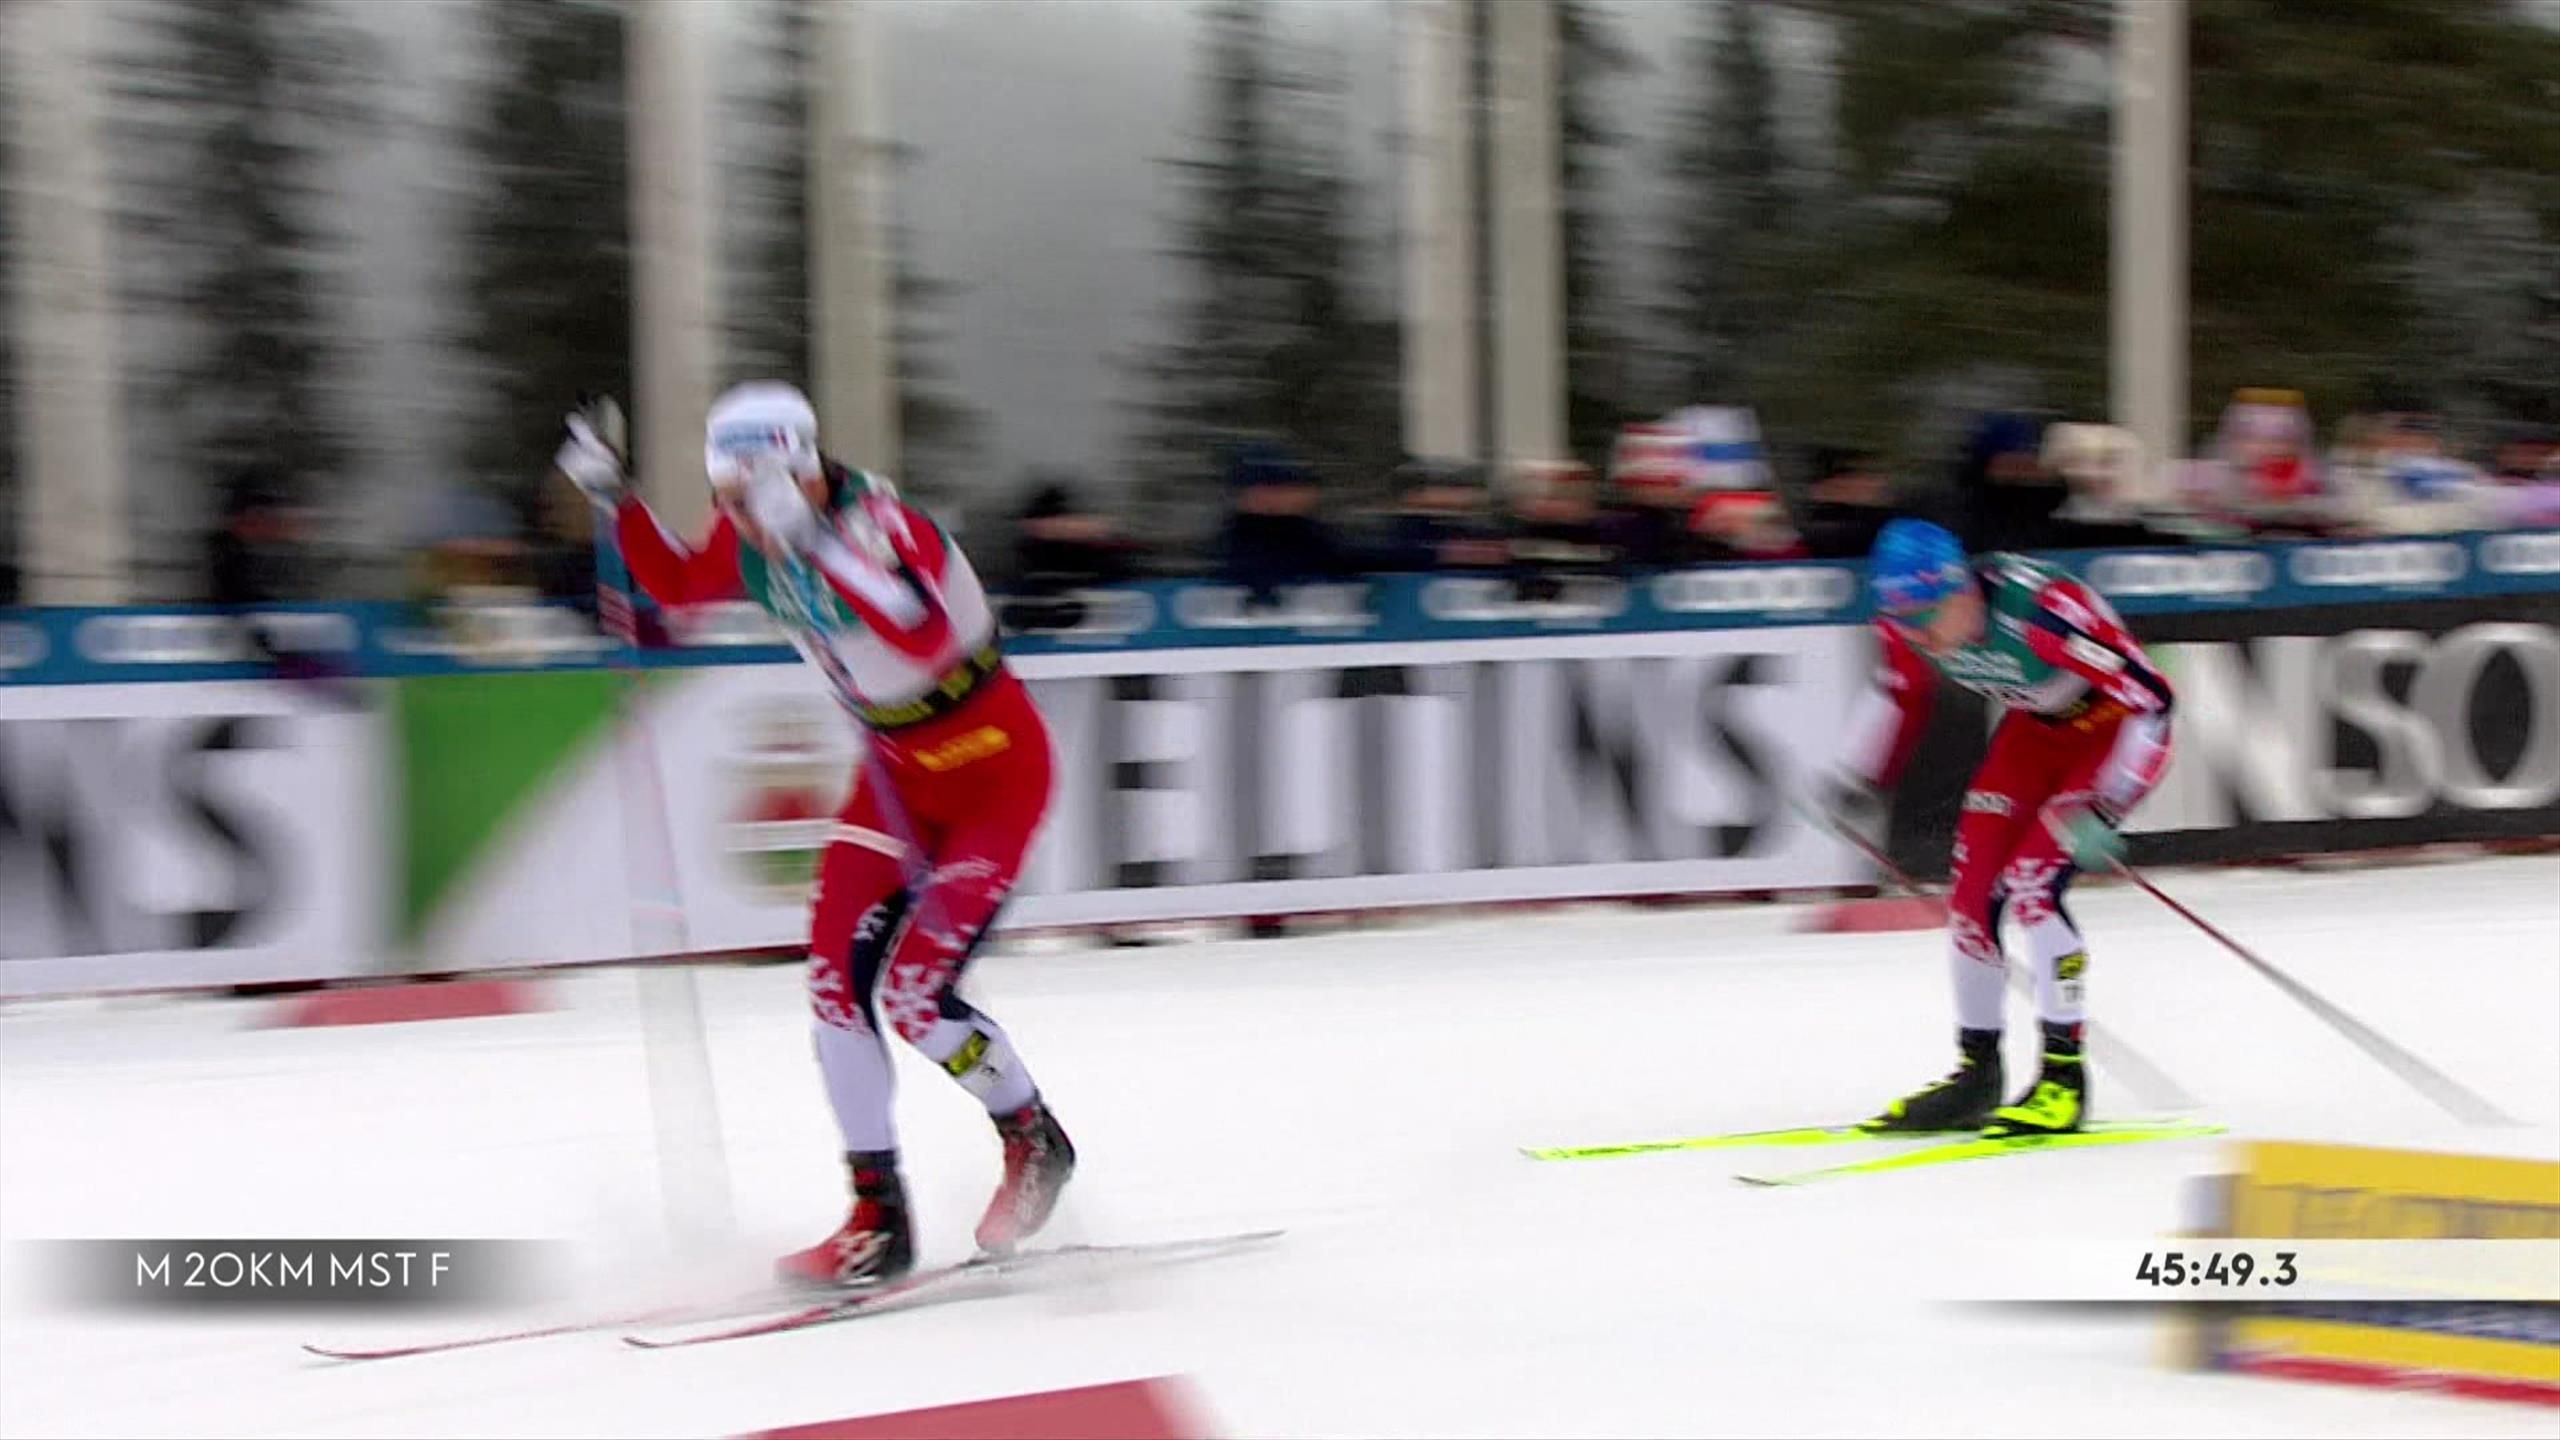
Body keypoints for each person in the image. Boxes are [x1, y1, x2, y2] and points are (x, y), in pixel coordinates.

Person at [552, 382, 1075, 1288]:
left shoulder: (882, 524)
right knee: (835, 980)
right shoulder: (757, 535)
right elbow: (678, 584)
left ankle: (1031, 1136)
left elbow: (918, 632)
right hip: (897, 780)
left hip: (994, 772)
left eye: (748, 498)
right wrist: (618, 501)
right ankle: (876, 1215)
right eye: (723, 498)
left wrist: (819, 546)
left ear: (798, 472)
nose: (737, 521)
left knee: (917, 997)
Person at [1818, 518, 2174, 1136]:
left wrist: (2108, 804)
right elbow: (1898, 692)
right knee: (1971, 895)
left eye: (1928, 618)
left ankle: (2064, 1078)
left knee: (2034, 889)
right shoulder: (1909, 623)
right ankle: (1976, 1075)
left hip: (2107, 731)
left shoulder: (2041, 615)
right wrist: (1854, 774)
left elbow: (2154, 702)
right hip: (2031, 737)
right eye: (1906, 622)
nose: (1922, 636)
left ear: (1960, 591)